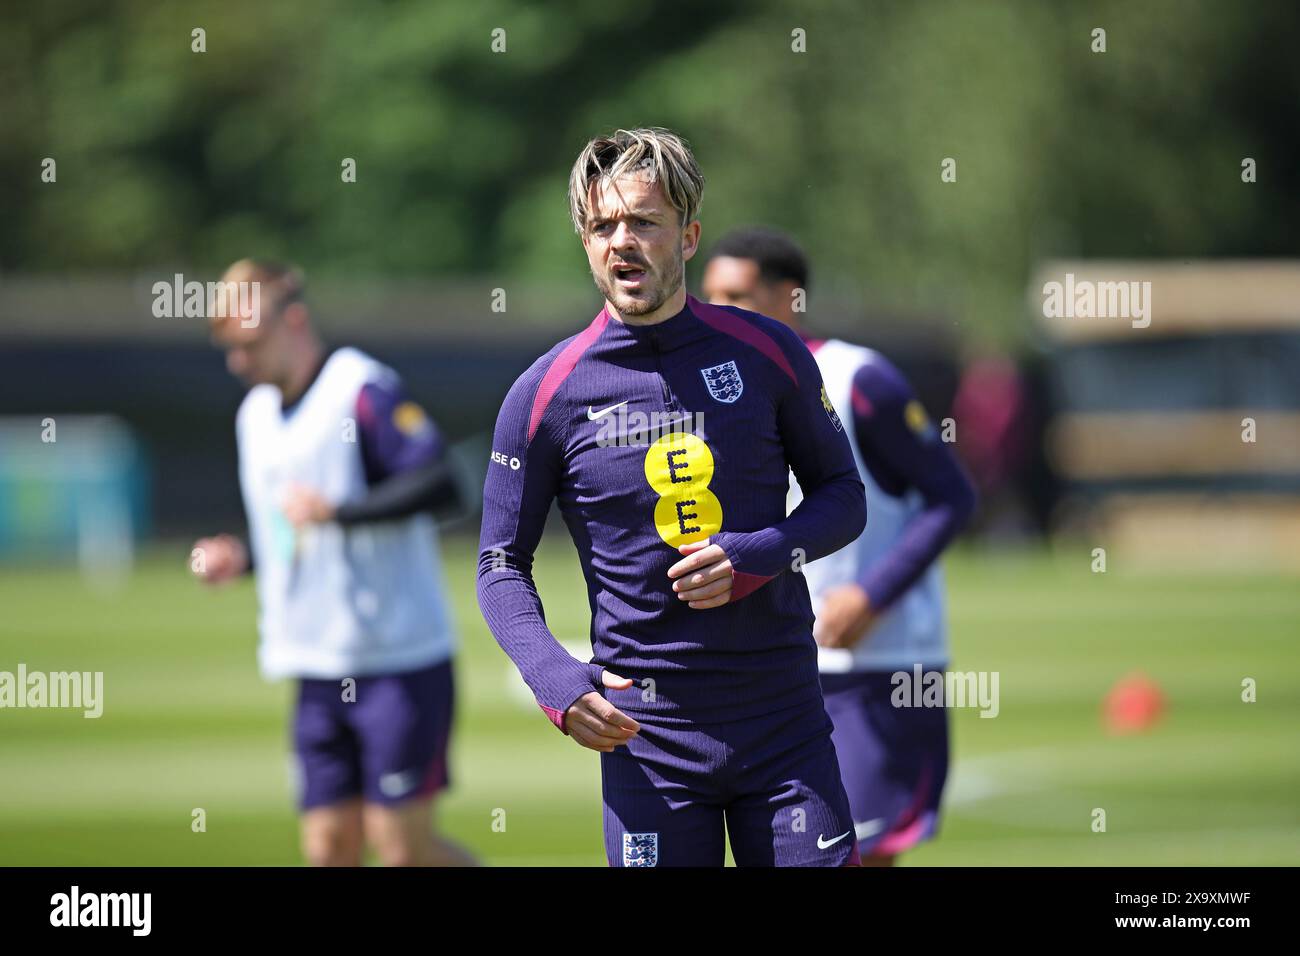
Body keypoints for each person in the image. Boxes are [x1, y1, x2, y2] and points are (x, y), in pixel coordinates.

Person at [477, 129, 867, 867]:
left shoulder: (769, 352)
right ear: (586, 243)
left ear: (687, 237)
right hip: (646, 740)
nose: (622, 242)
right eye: (602, 226)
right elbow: (500, 563)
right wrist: (554, 678)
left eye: (644, 222)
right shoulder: (544, 394)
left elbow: (844, 496)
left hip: (783, 724)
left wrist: (763, 553)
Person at [703, 227, 977, 865]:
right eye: (710, 294)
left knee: (861, 856)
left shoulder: (858, 378)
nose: (717, 310)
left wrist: (870, 596)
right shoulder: (716, 381)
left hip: (875, 666)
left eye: (736, 295)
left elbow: (951, 497)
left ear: (790, 298)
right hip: (776, 665)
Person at [191, 259, 474, 867]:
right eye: (228, 349)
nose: (238, 362)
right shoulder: (256, 416)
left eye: (249, 344)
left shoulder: (360, 389)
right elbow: (285, 535)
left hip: (399, 660)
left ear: (292, 320)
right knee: (328, 848)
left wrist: (340, 513)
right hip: (316, 665)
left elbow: (442, 484)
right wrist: (239, 557)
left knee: (403, 853)